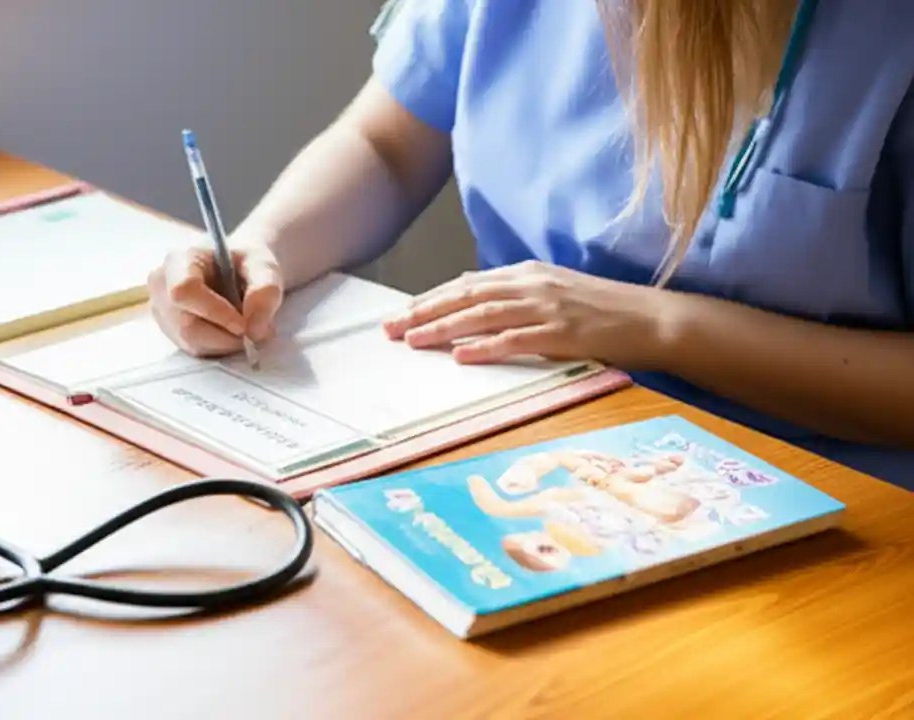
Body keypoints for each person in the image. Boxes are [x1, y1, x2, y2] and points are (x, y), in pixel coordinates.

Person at [147, 0, 914, 490]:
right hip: (519, 434)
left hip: (825, 494)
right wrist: (261, 247)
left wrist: (661, 328)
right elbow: (386, 144)